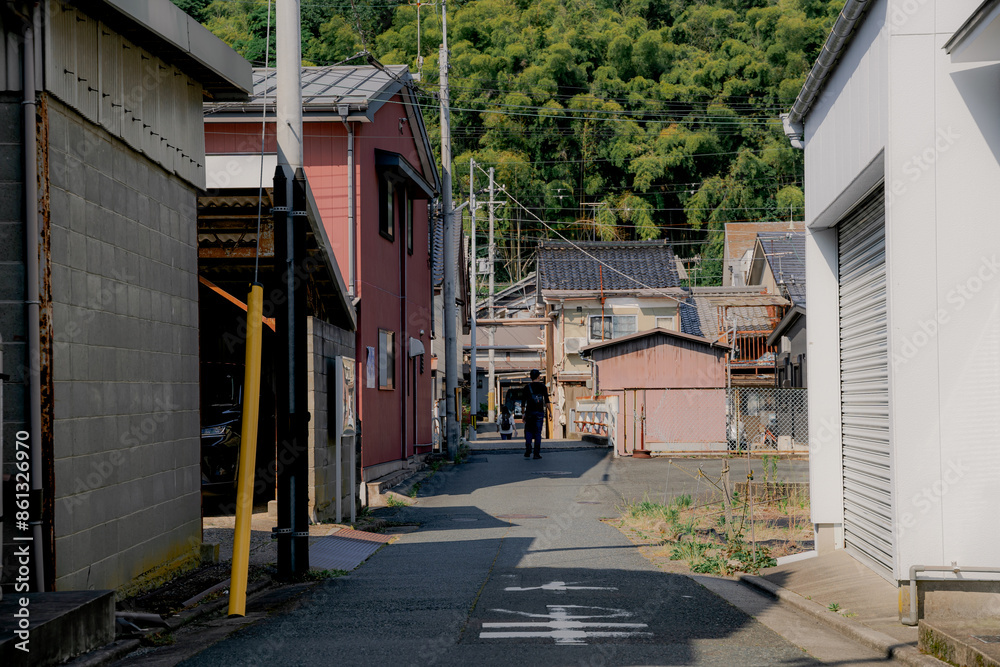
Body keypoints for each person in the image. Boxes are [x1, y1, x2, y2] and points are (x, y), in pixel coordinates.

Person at [522, 369, 550, 459]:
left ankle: (528, 447)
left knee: (529, 431)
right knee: (538, 433)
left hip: (529, 413)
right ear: (538, 377)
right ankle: (536, 453)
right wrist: (550, 412)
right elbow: (547, 401)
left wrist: (523, 413)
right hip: (539, 413)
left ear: (530, 377)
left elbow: (523, 403)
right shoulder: (543, 387)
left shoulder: (527, 387)